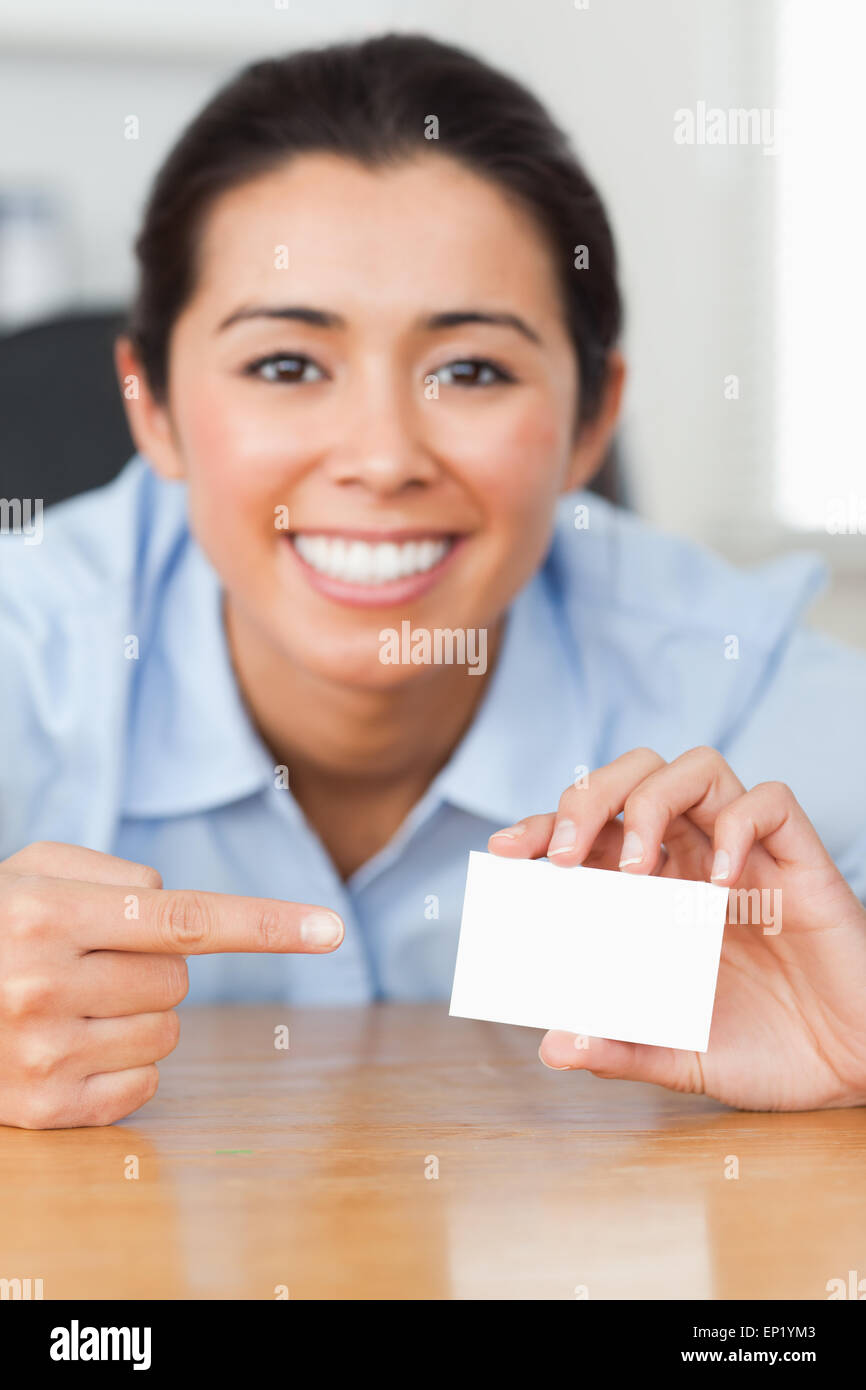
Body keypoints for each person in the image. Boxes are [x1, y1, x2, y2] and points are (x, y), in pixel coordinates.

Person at [1, 33, 865, 1129]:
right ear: (152, 405)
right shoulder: (26, 648)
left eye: (469, 370)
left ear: (592, 417)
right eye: (285, 364)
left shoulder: (735, 678)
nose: (381, 454)